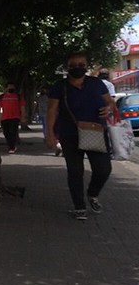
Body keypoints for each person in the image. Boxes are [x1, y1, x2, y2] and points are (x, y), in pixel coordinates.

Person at [45, 53, 115, 220]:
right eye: (73, 64)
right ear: (67, 67)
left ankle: (92, 193)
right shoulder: (59, 86)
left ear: (86, 66)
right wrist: (50, 134)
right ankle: (79, 207)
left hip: (95, 132)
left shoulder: (96, 84)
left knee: (104, 169)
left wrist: (109, 108)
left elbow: (110, 102)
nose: (77, 67)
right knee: (75, 171)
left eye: (81, 64)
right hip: (69, 134)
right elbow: (52, 110)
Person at [0, 82, 26, 154]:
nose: (11, 88)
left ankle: (11, 147)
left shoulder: (18, 97)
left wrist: (23, 117)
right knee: (6, 133)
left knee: (13, 132)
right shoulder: (2, 97)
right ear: (6, 88)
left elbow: (22, 107)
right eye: (9, 87)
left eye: (12, 87)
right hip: (5, 118)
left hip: (15, 117)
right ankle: (10, 145)